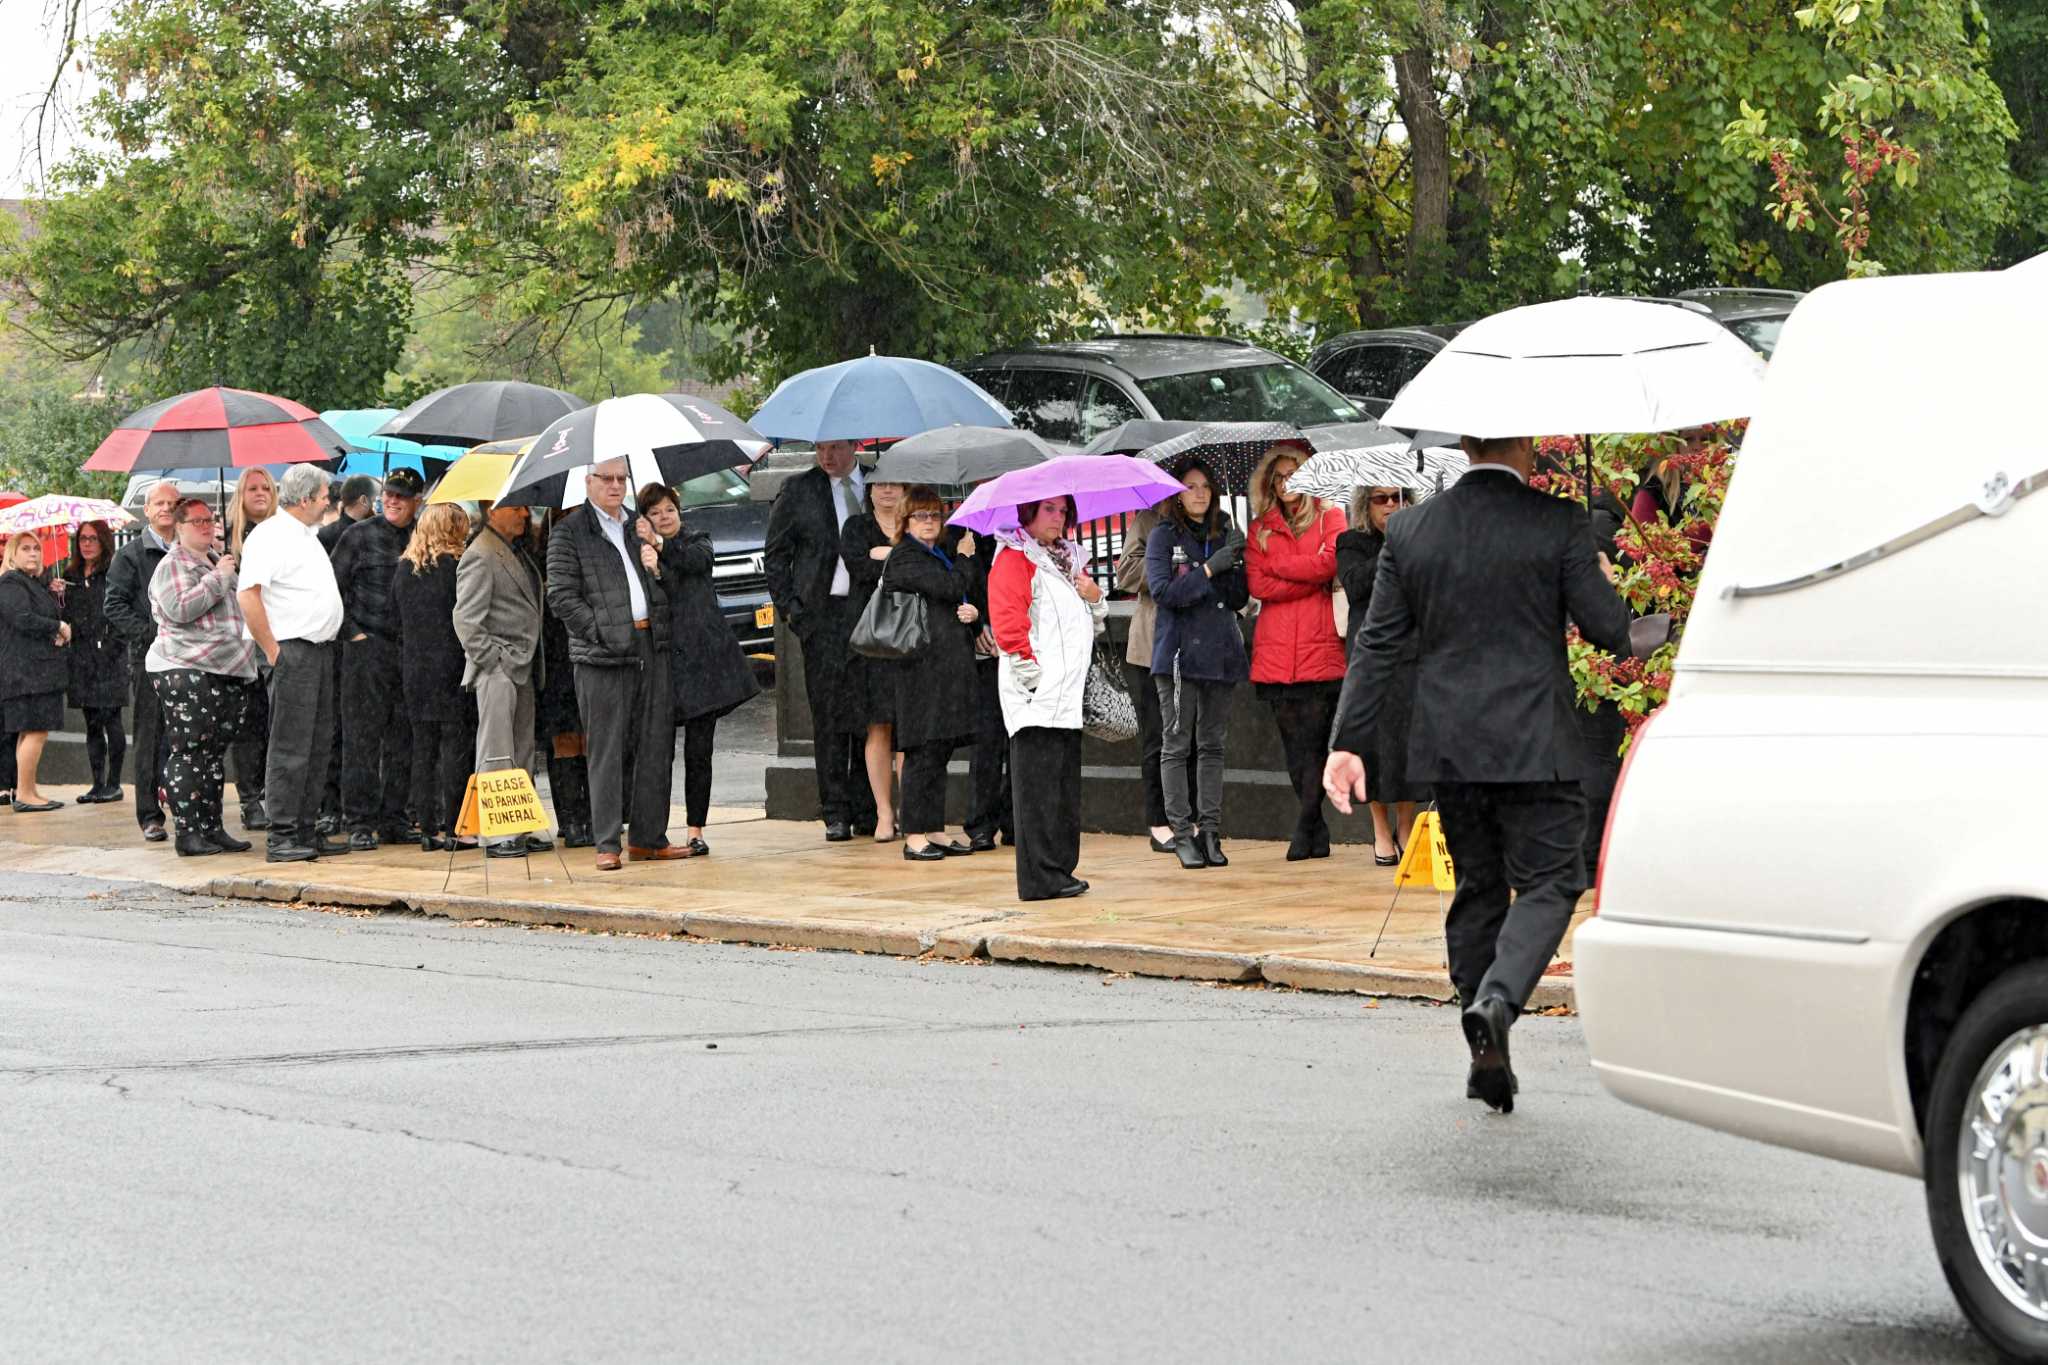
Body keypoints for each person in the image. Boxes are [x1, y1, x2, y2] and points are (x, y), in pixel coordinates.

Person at [1324, 434, 1634, 1113]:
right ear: (1525, 445)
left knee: (1479, 884)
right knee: (1554, 879)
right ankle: (1497, 1000)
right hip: (1534, 741)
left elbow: (1377, 643)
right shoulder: (1558, 521)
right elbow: (1610, 628)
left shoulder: (1410, 529)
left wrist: (1346, 741)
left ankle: (1481, 1035)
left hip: (1449, 743)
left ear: (1465, 445)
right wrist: (1614, 589)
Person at [545, 458, 680, 870]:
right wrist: (602, 631)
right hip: (602, 655)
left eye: (622, 479)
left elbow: (667, 584)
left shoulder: (638, 525)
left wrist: (657, 554)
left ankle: (648, 837)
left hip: (649, 644)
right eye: (607, 479)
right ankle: (607, 841)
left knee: (655, 745)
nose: (616, 486)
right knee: (606, 749)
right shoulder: (570, 533)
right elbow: (561, 597)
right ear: (588, 483)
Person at [987, 494, 1105, 901]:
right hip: (1037, 699)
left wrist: (1093, 595)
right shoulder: (1014, 558)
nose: (1058, 518)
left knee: (1062, 791)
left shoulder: (1069, 560)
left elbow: (1090, 621)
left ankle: (1059, 869)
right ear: (1029, 513)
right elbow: (1008, 625)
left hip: (1067, 696)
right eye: (1049, 510)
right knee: (1037, 793)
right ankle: (1039, 877)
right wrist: (1035, 681)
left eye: (1063, 511)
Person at [763, 439, 877, 840]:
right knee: (828, 715)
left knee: (870, 713)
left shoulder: (878, 483)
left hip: (871, 612)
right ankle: (835, 810)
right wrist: (793, 611)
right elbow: (775, 556)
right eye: (820, 449)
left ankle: (870, 807)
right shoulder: (799, 490)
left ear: (855, 447)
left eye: (836, 449)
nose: (827, 457)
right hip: (821, 615)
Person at [639, 482, 759, 857]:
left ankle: (696, 828)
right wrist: (654, 571)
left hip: (705, 660)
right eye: (655, 513)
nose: (664, 518)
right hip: (665, 659)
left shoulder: (697, 540)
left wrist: (661, 549)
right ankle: (650, 829)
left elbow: (696, 564)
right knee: (658, 751)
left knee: (699, 749)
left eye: (669, 511)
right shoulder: (642, 552)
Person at [1244, 443, 1349, 861]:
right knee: (1294, 749)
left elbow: (1329, 565)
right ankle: (1315, 829)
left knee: (1317, 745)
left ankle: (1305, 825)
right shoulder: (1260, 528)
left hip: (1321, 647)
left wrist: (1281, 567)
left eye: (1294, 474)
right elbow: (1258, 585)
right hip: (1275, 651)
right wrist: (1307, 572)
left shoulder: (1331, 516)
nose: (1286, 482)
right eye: (1279, 476)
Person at [237, 464, 346, 864]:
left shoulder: (307, 535)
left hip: (316, 649)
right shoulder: (271, 535)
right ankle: (281, 833)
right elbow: (248, 595)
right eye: (323, 496)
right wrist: (272, 649)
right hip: (291, 649)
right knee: (290, 746)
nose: (327, 502)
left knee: (317, 745)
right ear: (304, 499)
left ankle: (304, 827)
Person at [1145, 461, 1249, 871]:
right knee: (1176, 745)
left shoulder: (1225, 531)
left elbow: (1239, 597)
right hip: (1178, 656)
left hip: (1221, 651)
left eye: (1206, 486)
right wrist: (1209, 568)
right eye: (1191, 487)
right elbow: (1163, 591)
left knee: (1212, 746)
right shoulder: (1163, 535)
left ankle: (1211, 831)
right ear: (1177, 493)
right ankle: (1182, 832)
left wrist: (1237, 560)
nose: (1200, 494)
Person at [146, 498, 258, 857]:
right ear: (178, 527)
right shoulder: (173, 564)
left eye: (210, 520)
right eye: (197, 521)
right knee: (190, 752)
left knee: (213, 756)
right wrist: (219, 578)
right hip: (187, 667)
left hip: (227, 669)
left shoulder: (215, 560)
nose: (206, 526)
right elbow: (180, 608)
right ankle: (188, 831)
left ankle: (213, 828)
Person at [885, 486, 981, 861]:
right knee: (922, 749)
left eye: (935, 516)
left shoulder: (935, 554)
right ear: (906, 522)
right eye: (920, 516)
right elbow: (951, 586)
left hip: (945, 666)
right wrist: (965, 558)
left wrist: (971, 615)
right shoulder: (907, 557)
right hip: (920, 669)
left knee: (939, 749)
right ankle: (913, 835)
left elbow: (952, 599)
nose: (929, 523)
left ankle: (934, 828)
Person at [329, 467, 420, 849]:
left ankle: (394, 816)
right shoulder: (358, 535)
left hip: (410, 649)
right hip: (368, 648)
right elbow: (332, 591)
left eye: (402, 495)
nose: (393, 500)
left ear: (417, 501)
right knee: (362, 738)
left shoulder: (422, 538)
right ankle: (360, 820)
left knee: (404, 739)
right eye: (389, 494)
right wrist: (354, 634)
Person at [1335, 486, 1425, 864]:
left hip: (1413, 652)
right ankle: (1380, 829)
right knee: (1371, 744)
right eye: (1381, 498)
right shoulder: (1351, 541)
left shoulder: (1420, 538)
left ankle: (1406, 825)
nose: (1391, 504)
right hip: (1370, 655)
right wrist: (1393, 547)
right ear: (1364, 505)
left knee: (1407, 741)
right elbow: (1356, 587)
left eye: (1398, 497)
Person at [455, 500, 549, 858]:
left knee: (521, 748)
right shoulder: (481, 554)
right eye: (517, 508)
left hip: (520, 665)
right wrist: (494, 661)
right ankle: (497, 835)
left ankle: (519, 823)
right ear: (492, 510)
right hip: (499, 668)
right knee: (496, 750)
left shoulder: (513, 551)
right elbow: (466, 619)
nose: (526, 514)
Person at [391, 502, 477, 853]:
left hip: (414, 667)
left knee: (423, 750)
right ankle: (456, 825)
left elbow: (395, 619)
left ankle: (428, 826)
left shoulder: (404, 569)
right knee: (455, 748)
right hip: (451, 667)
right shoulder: (456, 567)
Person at [1115, 503, 1195, 854]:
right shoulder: (1147, 521)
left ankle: (1189, 814)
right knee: (1157, 737)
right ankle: (1159, 820)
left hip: (1195, 641)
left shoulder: (1206, 524)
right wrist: (1166, 568)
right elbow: (1126, 573)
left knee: (1192, 736)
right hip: (1152, 644)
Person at [105, 479, 179, 841]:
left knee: (188, 736)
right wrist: (148, 633)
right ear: (147, 510)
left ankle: (187, 804)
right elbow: (113, 606)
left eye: (172, 503)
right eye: (159, 503)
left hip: (189, 658)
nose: (166, 508)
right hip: (150, 659)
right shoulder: (130, 555)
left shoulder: (190, 551)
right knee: (150, 736)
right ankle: (150, 815)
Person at [838, 478, 907, 841]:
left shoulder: (917, 522)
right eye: (879, 484)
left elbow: (922, 567)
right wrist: (900, 554)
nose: (886, 491)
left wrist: (884, 554)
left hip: (910, 637)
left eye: (895, 484)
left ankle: (911, 810)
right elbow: (859, 568)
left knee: (908, 728)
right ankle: (883, 811)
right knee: (877, 725)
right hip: (870, 639)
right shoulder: (857, 526)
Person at [0, 532, 72, 812]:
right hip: (25, 672)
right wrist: (57, 627)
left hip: (37, 670)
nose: (33, 553)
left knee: (33, 731)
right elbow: (22, 619)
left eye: (37, 549)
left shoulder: (30, 583)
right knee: (35, 731)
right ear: (12, 555)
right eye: (26, 549)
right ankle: (26, 794)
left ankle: (27, 790)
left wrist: (52, 592)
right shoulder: (9, 583)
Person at [61, 519, 129, 804]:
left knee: (111, 719)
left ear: (104, 541)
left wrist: (112, 645)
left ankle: (114, 783)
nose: (87, 544)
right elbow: (67, 615)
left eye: (93, 538)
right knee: (91, 723)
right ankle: (97, 783)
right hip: (82, 658)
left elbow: (121, 611)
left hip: (109, 657)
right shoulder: (71, 575)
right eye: (82, 539)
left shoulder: (114, 571)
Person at [225, 468, 275, 831]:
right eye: (252, 488)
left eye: (265, 488)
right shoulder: (227, 541)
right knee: (248, 728)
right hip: (240, 647)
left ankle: (275, 794)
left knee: (276, 725)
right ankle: (249, 799)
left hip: (277, 639)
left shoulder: (284, 534)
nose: (259, 493)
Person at [960, 517, 1012, 853]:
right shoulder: (965, 535)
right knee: (988, 742)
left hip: (1021, 648)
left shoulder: (1027, 536)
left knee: (1018, 742)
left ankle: (1014, 820)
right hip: (985, 651)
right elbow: (958, 590)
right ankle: (980, 824)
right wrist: (979, 625)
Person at [317, 474, 377, 553]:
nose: (373, 505)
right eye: (373, 500)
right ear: (363, 500)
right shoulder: (371, 536)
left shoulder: (322, 534)